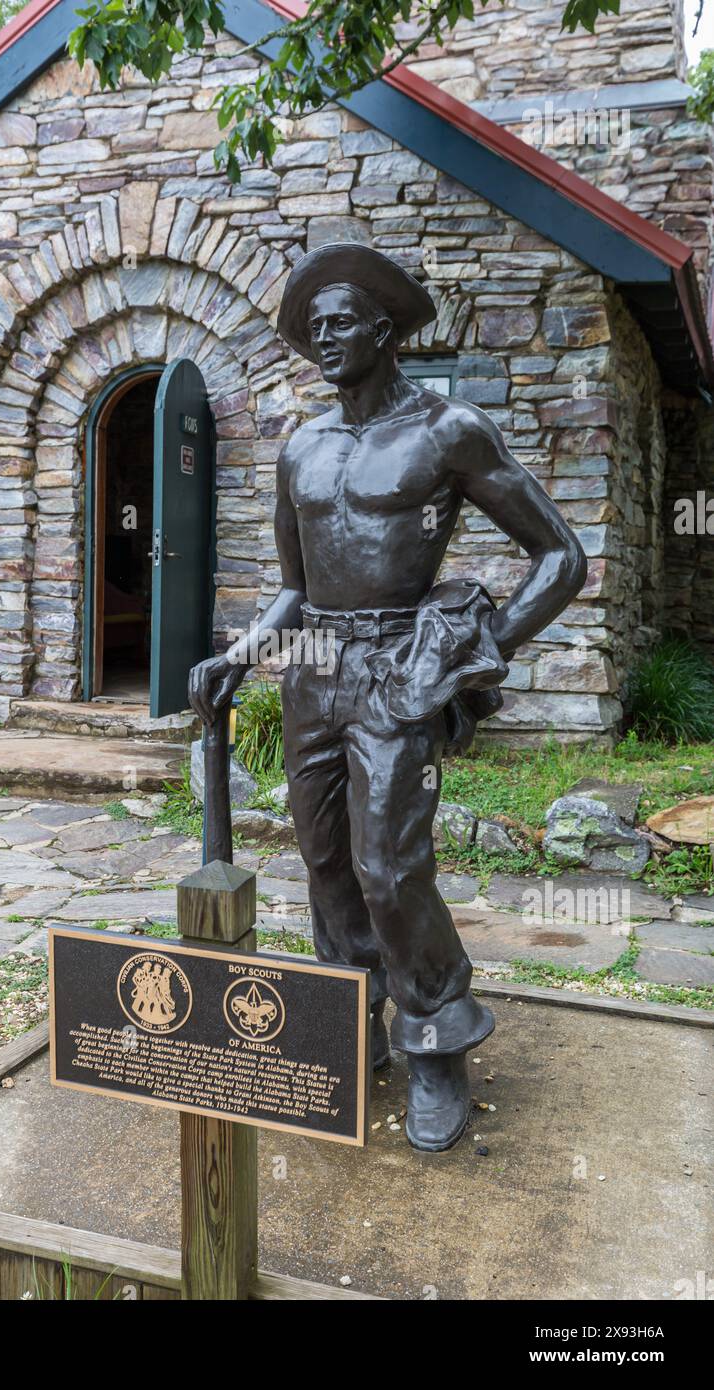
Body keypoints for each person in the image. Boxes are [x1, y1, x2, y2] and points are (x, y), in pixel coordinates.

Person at [189, 244, 587, 1151]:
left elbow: (561, 556)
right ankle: (350, 1016)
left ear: (383, 330)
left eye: (338, 324)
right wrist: (241, 655)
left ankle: (438, 1038)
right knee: (326, 859)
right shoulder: (303, 445)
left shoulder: (449, 432)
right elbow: (296, 591)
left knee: (389, 867)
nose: (322, 339)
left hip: (398, 676)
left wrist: (471, 657)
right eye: (312, 328)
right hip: (313, 673)